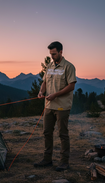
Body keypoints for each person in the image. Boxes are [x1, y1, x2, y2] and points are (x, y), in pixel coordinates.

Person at [34, 41, 77, 171]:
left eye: (54, 54)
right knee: (47, 132)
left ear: (60, 52)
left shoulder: (69, 67)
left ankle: (64, 162)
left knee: (63, 134)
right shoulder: (49, 66)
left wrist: (55, 95)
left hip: (62, 107)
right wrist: (41, 91)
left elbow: (71, 86)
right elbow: (45, 82)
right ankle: (47, 160)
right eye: (50, 54)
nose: (52, 56)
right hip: (48, 106)